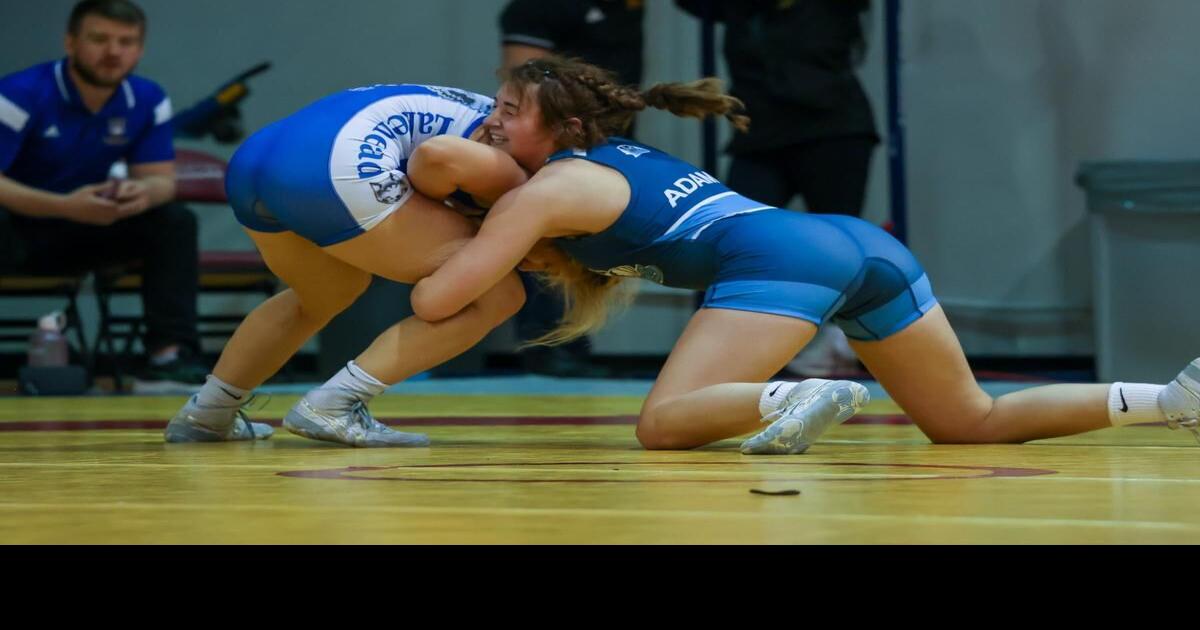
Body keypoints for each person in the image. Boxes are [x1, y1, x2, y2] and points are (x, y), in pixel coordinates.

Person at [407, 56, 1200, 452]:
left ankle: (798, 394)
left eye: (507, 111)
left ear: (567, 130)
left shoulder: (548, 190)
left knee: (662, 425)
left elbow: (439, 301)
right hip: (855, 245)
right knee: (970, 420)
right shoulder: (619, 162)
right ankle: (1170, 400)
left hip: (782, 258)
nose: (489, 123)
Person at [163, 83, 528, 446]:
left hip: (258, 160)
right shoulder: (525, 158)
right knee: (497, 294)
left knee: (326, 293)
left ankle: (208, 412)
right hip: (336, 164)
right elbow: (437, 155)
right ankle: (334, 405)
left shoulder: (497, 118)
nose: (496, 119)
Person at [0, 0, 206, 388]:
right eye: (99, 39)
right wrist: (64, 206)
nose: (113, 52)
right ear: (70, 42)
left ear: (140, 49)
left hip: (86, 229)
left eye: (126, 42)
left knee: (174, 220)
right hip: (17, 231)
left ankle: (169, 355)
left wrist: (140, 192)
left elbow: (162, 181)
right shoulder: (18, 94)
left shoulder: (147, 99)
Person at [677, 0, 878, 377]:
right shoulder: (742, 8)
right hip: (761, 137)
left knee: (842, 244)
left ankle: (858, 340)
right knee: (733, 238)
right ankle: (722, 352)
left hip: (832, 130)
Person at [498, 0, 645, 377]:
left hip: (606, 143)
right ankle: (547, 345)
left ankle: (568, 344)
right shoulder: (540, 9)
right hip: (557, 144)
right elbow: (520, 83)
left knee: (580, 243)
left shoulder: (627, 8)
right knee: (544, 239)